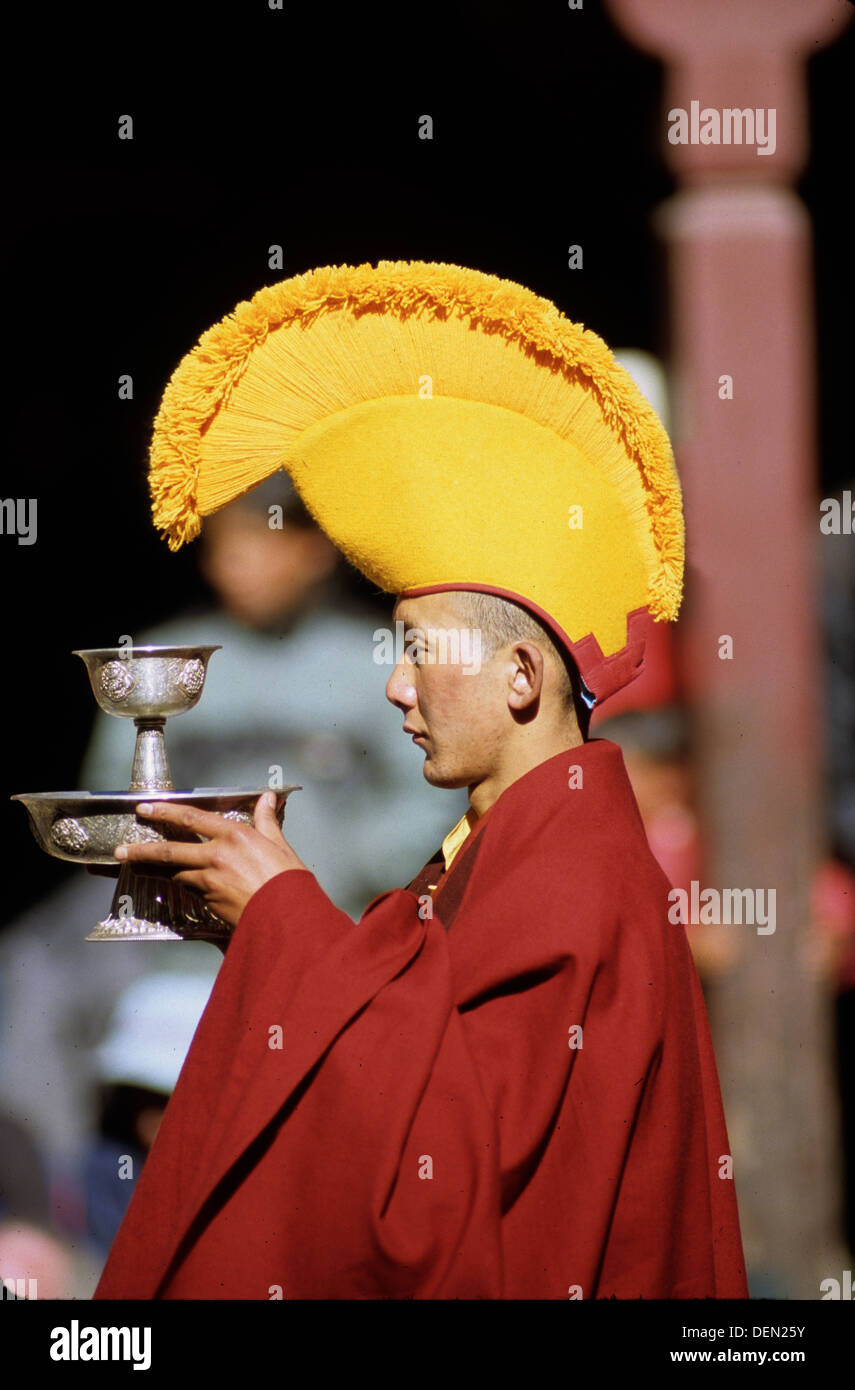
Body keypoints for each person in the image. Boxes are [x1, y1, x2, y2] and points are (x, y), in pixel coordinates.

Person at [92, 259, 748, 1299]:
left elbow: (441, 1189)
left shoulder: (574, 882)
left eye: (417, 647)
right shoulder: (508, 842)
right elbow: (419, 1046)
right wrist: (256, 927)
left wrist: (287, 922)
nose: (394, 687)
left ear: (522, 675)